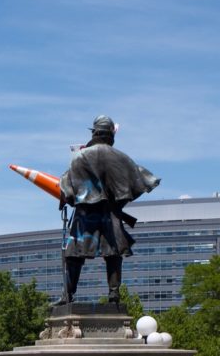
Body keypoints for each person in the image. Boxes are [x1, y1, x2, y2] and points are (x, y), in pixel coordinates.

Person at [56, 114, 160, 304]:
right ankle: (114, 293)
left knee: (73, 254)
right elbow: (142, 183)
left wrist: (71, 200)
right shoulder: (122, 158)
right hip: (110, 213)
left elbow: (68, 190)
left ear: (94, 133)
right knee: (113, 253)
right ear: (111, 135)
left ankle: (68, 295)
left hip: (85, 215)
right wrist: (118, 203)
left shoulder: (79, 156)